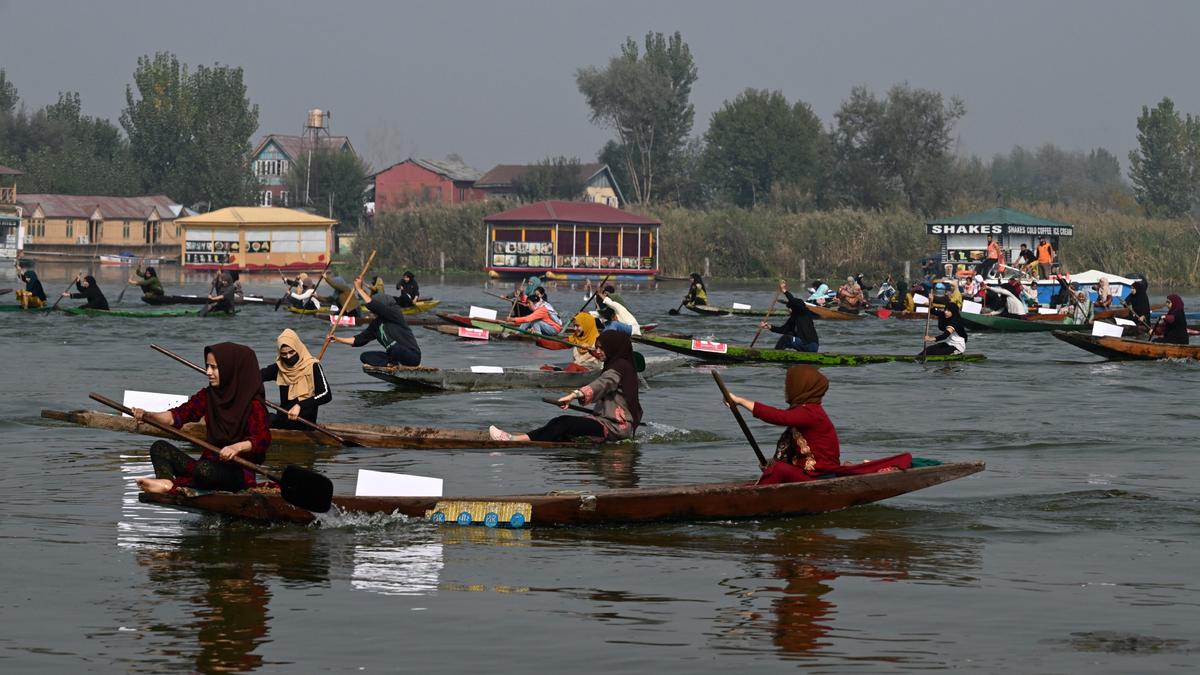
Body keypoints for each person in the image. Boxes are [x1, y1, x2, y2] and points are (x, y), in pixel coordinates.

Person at [132, 342, 271, 494]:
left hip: (238, 472)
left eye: (214, 367)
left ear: (231, 369)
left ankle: (172, 487)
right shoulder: (208, 395)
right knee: (159, 448)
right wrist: (149, 415)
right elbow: (176, 416)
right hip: (208, 464)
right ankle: (165, 482)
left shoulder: (254, 404)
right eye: (208, 366)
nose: (208, 372)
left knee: (204, 470)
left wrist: (236, 448)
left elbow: (262, 439)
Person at [489, 331, 641, 443]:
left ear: (612, 348)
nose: (598, 351)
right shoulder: (621, 365)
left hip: (615, 428)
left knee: (563, 423)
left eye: (601, 348)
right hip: (610, 423)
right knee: (561, 426)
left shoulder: (617, 369)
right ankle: (524, 438)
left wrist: (572, 395)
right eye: (597, 347)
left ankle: (513, 439)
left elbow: (600, 385)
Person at [722, 366, 840, 484]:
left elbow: (778, 417)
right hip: (808, 474)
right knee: (777, 468)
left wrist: (740, 401)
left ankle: (754, 496)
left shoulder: (811, 412)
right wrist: (772, 464)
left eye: (789, 385)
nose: (785, 389)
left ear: (800, 387)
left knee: (780, 470)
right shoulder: (805, 411)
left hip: (820, 477)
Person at [330, 278, 421, 366]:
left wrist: (359, 289)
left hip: (411, 356)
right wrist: (337, 339)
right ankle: (390, 364)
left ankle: (393, 363)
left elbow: (373, 305)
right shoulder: (375, 325)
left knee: (396, 349)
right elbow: (358, 340)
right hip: (393, 357)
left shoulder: (394, 315)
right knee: (365, 356)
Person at [259, 329, 332, 429]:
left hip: (305, 422)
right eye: (284, 354)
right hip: (283, 419)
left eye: (291, 352)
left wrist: (300, 405)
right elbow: (256, 376)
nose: (288, 357)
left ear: (297, 348)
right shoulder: (279, 367)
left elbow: (326, 394)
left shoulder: (313, 366)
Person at [760, 280, 820, 352]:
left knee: (786, 338)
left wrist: (784, 291)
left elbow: (794, 302)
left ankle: (776, 353)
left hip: (811, 345)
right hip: (803, 344)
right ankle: (781, 355)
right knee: (789, 335)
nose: (789, 310)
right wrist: (769, 327)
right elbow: (783, 329)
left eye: (790, 308)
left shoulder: (804, 313)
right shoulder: (792, 319)